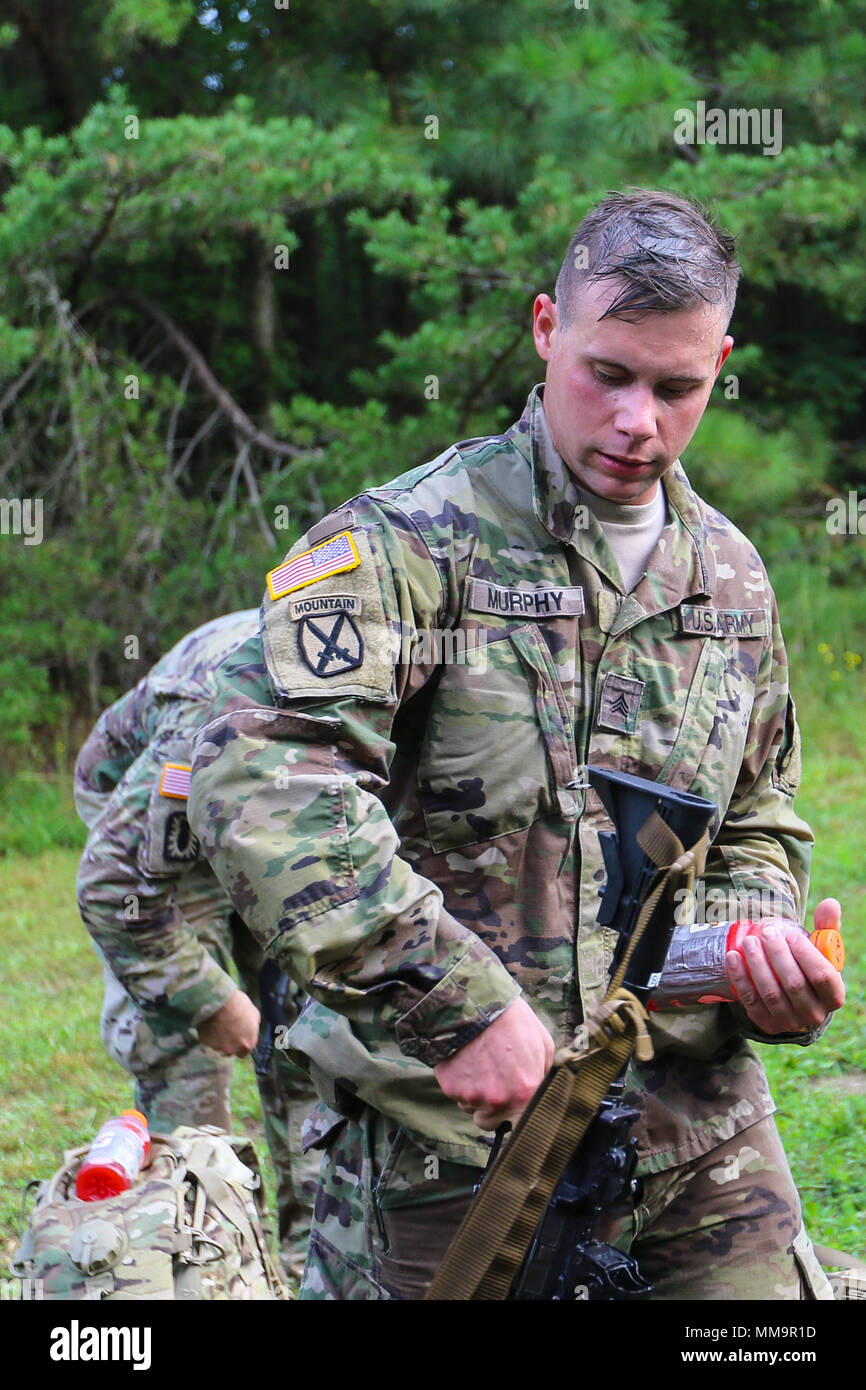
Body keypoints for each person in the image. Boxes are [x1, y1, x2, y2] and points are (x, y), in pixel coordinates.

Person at [187, 190, 845, 1301]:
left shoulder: (728, 577)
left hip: (694, 1129)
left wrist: (757, 948)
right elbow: (261, 777)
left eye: (676, 387)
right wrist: (455, 1001)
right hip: (446, 1134)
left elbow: (756, 817)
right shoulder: (402, 546)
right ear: (545, 328)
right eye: (607, 374)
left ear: (719, 363)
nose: (637, 419)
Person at [74, 609, 319, 1276]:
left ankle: (307, 1265)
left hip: (266, 821)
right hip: (153, 831)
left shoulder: (382, 677)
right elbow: (115, 888)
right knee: (190, 1057)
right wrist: (210, 999)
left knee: (310, 1034)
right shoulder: (221, 709)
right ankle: (199, 1264)